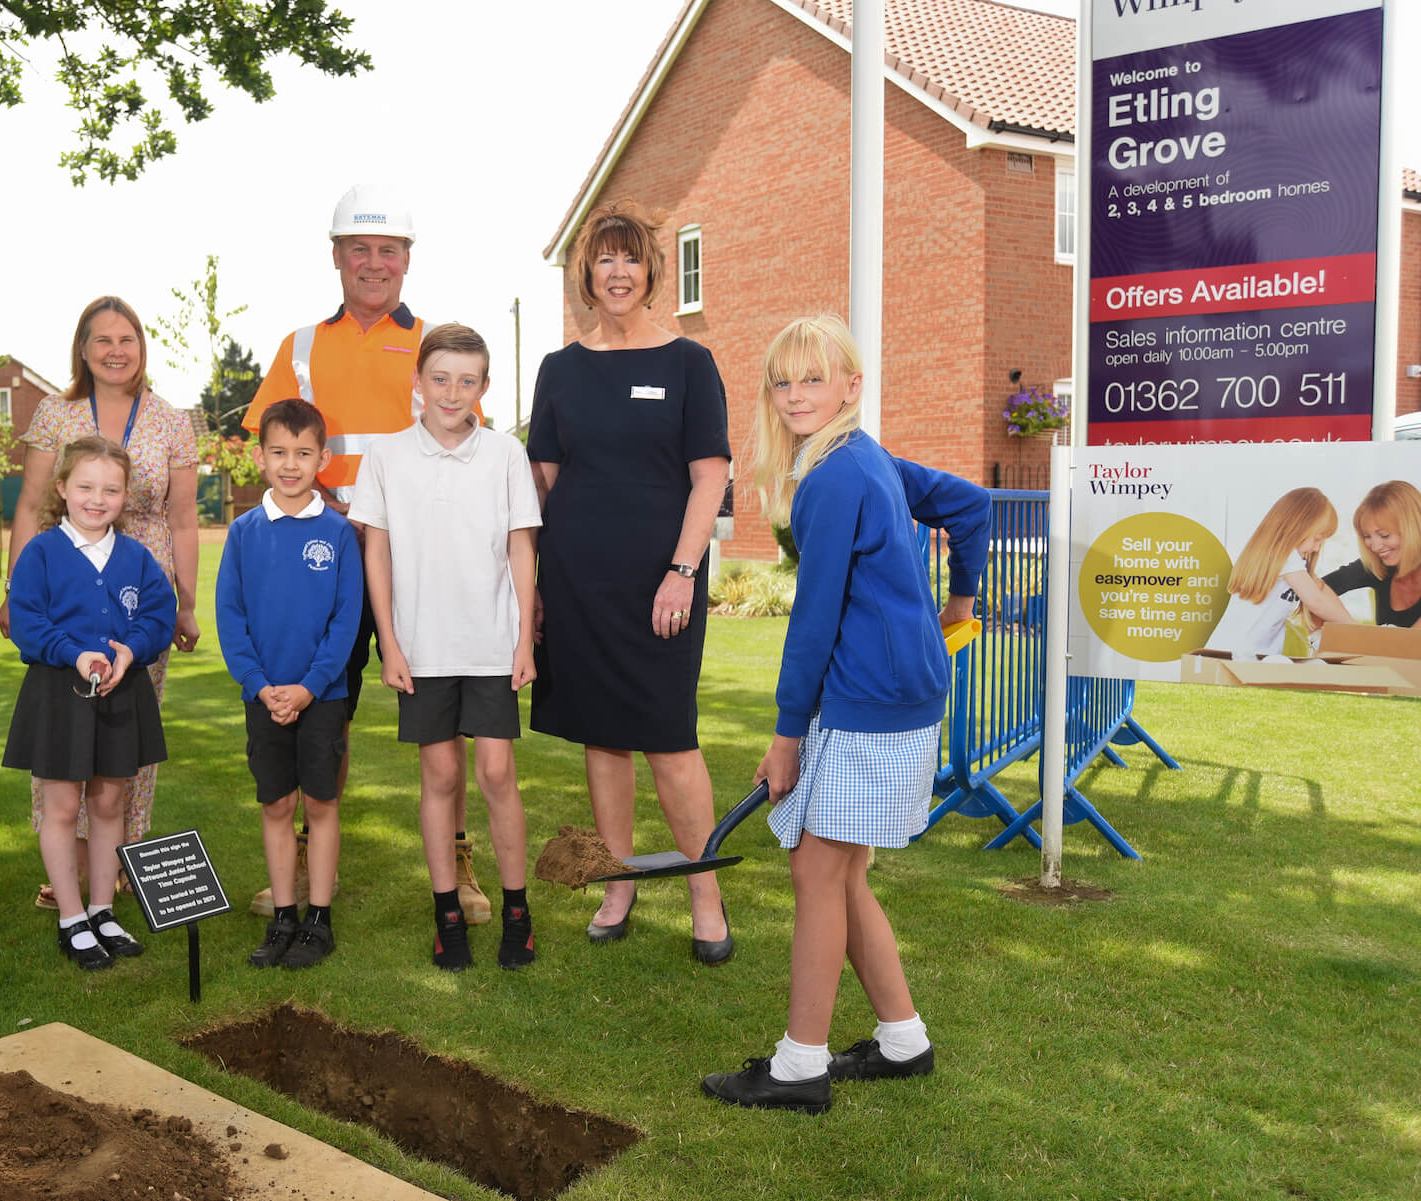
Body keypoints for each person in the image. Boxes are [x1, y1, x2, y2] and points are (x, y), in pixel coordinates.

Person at [701, 314, 991, 1114]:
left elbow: (814, 617)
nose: (796, 394)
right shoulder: (865, 458)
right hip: (894, 693)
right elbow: (971, 506)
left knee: (818, 871)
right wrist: (958, 606)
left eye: (814, 378)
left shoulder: (836, 476)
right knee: (842, 870)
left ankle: (800, 1067)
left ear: (851, 387)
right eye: (783, 381)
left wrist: (785, 735)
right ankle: (903, 1041)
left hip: (871, 702)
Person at [238, 185, 489, 925]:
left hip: (421, 558)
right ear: (337, 256)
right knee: (326, 711)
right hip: (325, 556)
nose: (372, 263)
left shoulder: (435, 350)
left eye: (387, 250)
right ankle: (318, 862)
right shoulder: (302, 347)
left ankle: (460, 858)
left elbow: (468, 454)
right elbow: (275, 444)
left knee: (440, 717)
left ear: (407, 260)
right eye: (359, 249)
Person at [526, 199, 732, 963]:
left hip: (659, 584)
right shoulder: (560, 370)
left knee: (668, 738)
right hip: (578, 580)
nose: (618, 272)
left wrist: (682, 572)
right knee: (601, 737)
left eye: (631, 258)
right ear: (587, 273)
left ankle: (704, 892)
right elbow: (540, 485)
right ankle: (617, 880)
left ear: (652, 272)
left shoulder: (687, 362)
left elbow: (709, 480)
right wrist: (537, 584)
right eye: (604, 259)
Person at [351, 324, 542, 971]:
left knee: (494, 773)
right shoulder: (385, 456)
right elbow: (375, 552)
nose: (452, 391)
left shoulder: (505, 454)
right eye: (440, 378)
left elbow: (522, 546)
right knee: (440, 774)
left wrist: (523, 637)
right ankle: (447, 916)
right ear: (419, 381)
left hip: (491, 642)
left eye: (467, 380)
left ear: (484, 387)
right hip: (422, 646)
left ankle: (518, 911)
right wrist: (390, 640)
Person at [0, 296, 201, 909]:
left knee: (124, 736)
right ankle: (67, 865)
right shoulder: (57, 416)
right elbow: (32, 504)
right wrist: (15, 591)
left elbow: (184, 518)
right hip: (64, 590)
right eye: (102, 339)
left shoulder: (170, 420)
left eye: (127, 339)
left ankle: (114, 866)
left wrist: (185, 606)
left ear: (142, 348)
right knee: (67, 730)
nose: (116, 350)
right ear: (82, 349)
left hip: (141, 600)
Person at [3, 437, 174, 970]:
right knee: (60, 808)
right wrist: (74, 654)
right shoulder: (41, 553)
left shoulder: (137, 557)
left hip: (121, 692)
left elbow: (158, 617)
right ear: (62, 489)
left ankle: (103, 910)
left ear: (125, 496)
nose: (97, 499)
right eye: (85, 487)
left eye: (110, 489)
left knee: (107, 805)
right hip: (60, 694)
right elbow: (27, 623)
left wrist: (132, 650)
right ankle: (71, 919)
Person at [216, 400, 363, 969]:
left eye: (304, 453)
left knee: (320, 804)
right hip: (264, 697)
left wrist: (309, 687)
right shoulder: (244, 532)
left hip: (321, 697)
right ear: (260, 457)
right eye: (279, 452)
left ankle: (319, 919)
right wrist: (258, 684)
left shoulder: (339, 534)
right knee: (276, 804)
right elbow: (230, 615)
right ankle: (283, 916)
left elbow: (346, 622)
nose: (291, 464)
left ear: (323, 458)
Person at [1205, 487, 1352, 659]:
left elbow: (1320, 589)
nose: (1317, 547)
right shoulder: (1287, 557)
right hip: (1234, 654)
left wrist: (1352, 625)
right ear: (1297, 527)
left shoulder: (1291, 564)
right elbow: (1317, 600)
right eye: (1317, 539)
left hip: (1251, 655)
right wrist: (1355, 629)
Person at [1320, 480, 1421, 628]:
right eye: (1367, 536)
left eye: (1385, 535)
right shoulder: (1377, 567)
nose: (1375, 546)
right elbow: (1314, 591)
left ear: (1413, 528)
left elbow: (1411, 643)